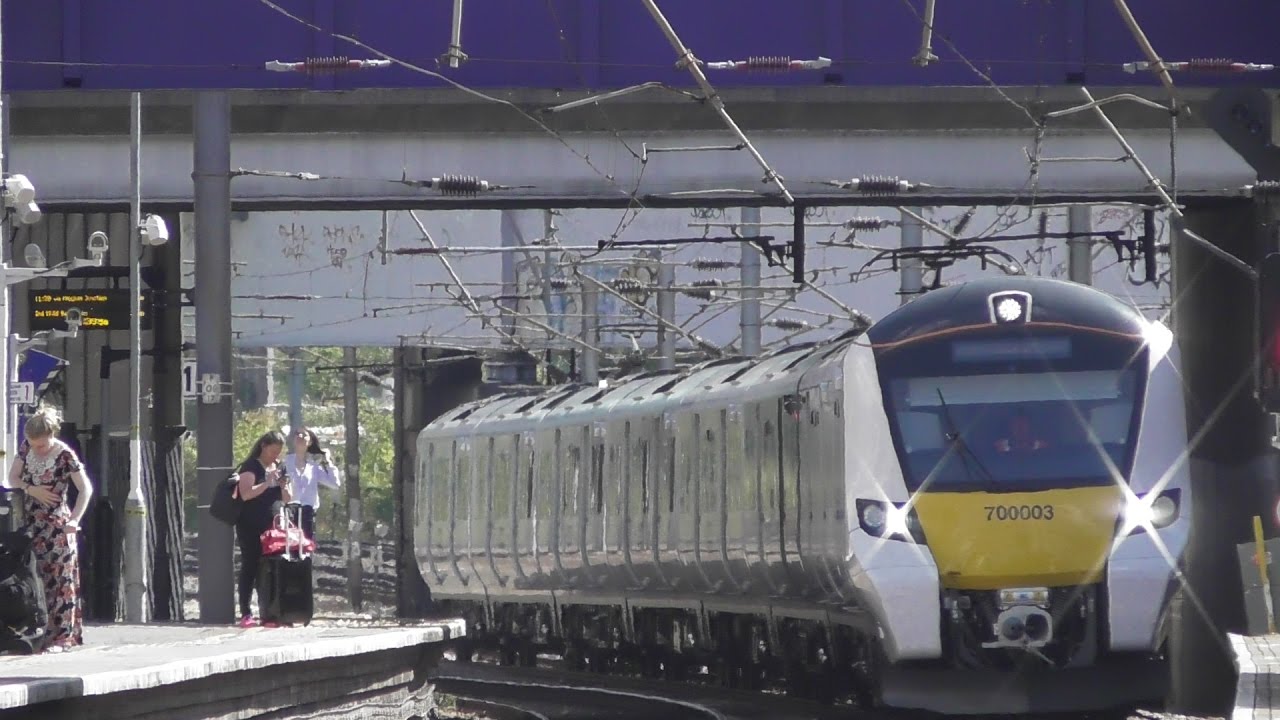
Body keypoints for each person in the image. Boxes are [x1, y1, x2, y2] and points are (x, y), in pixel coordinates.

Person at [5, 405, 93, 652]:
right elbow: (13, 478)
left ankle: (62, 637)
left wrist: (74, 520)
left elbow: (85, 489)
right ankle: (37, 633)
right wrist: (31, 489)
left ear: (51, 436)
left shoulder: (65, 455)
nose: (37, 449)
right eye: (34, 445)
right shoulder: (26, 449)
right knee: (36, 578)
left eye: (42, 445)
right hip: (32, 525)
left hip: (57, 526)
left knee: (61, 580)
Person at [234, 430, 291, 628]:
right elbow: (246, 494)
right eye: (272, 451)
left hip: (272, 527)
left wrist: (283, 485)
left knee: (271, 569)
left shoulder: (280, 467)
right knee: (250, 566)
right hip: (250, 525)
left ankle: (270, 612)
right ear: (263, 447)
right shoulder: (250, 467)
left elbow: (287, 498)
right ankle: (246, 612)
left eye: (278, 452)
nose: (275, 456)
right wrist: (267, 482)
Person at [283, 428, 341, 539]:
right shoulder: (285, 462)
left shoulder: (313, 466)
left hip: (308, 513)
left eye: (304, 435)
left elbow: (335, 483)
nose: (300, 436)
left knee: (307, 545)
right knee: (290, 545)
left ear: (309, 442)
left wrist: (327, 461)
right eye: (297, 434)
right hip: (289, 512)